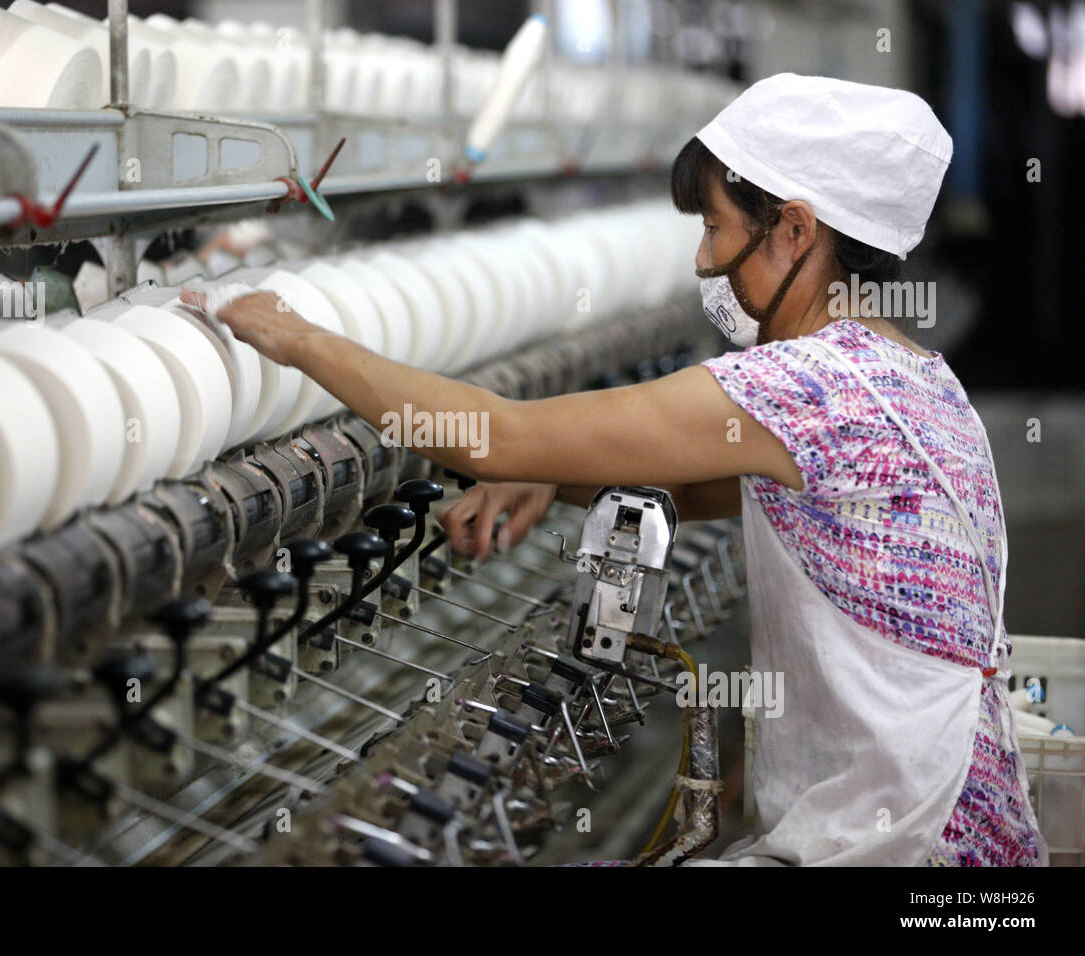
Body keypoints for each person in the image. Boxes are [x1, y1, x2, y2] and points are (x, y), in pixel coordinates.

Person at [182, 73, 1047, 866]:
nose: (704, 260)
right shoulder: (910, 376)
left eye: (715, 227)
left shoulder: (807, 385)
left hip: (909, 849)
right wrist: (557, 477)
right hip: (964, 831)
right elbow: (713, 491)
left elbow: (490, 436)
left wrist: (297, 338)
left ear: (794, 229)